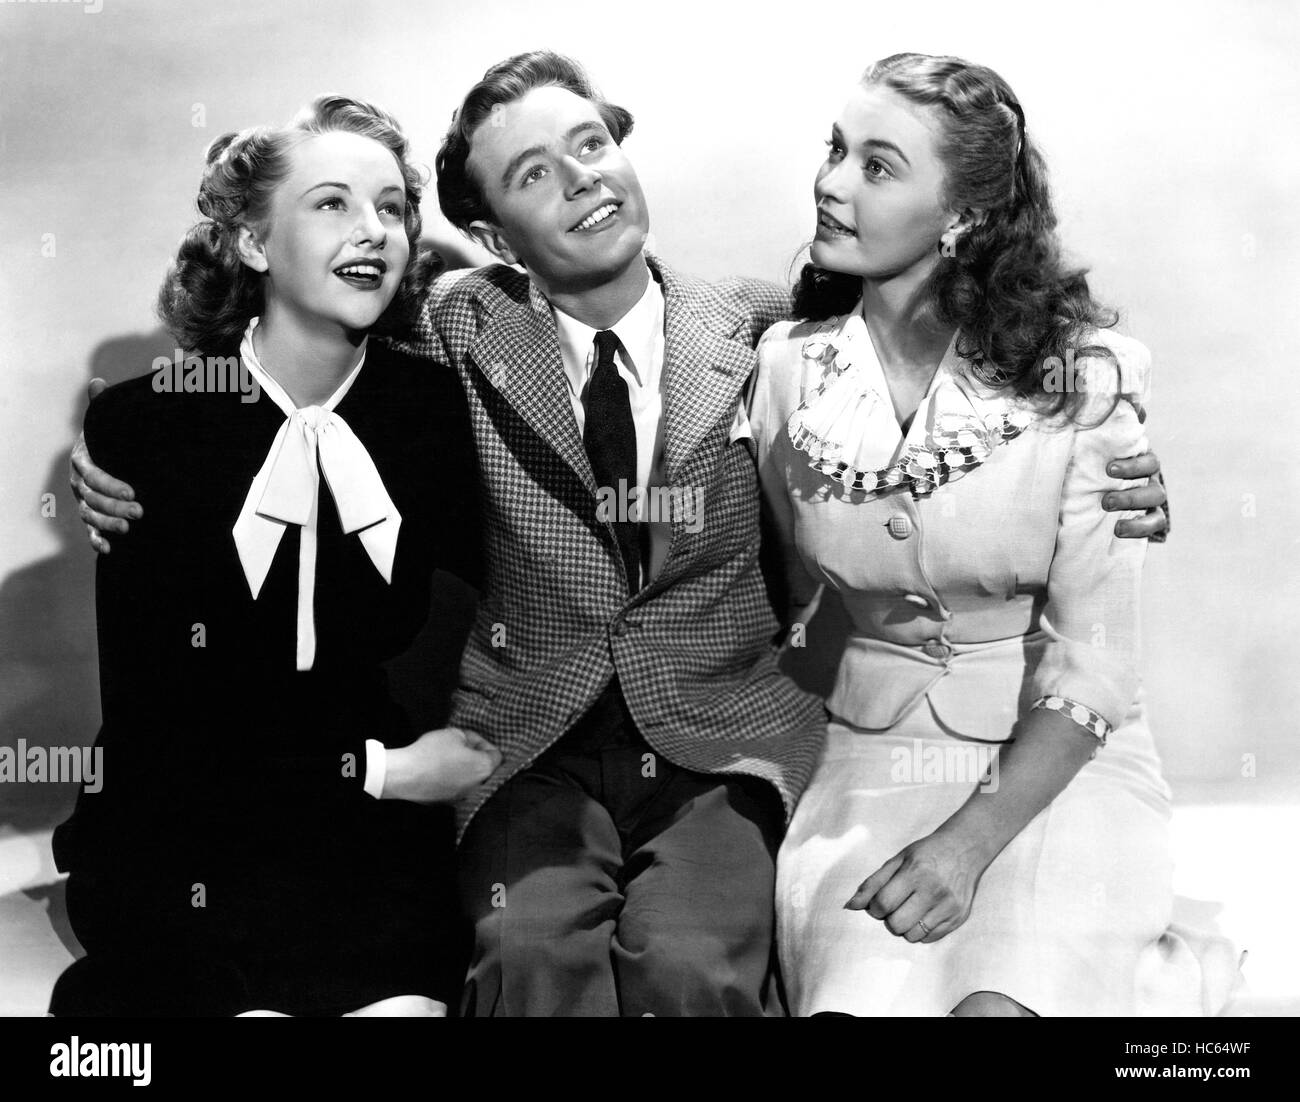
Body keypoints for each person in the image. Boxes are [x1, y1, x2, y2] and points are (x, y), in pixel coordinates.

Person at [69, 52, 1169, 1017]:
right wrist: (126, 450)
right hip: (530, 737)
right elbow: (308, 348)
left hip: (717, 729)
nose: (581, 177)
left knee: (692, 959)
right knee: (524, 948)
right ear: (493, 235)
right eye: (533, 174)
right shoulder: (459, 330)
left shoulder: (762, 327)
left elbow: (932, 386)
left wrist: (1106, 457)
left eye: (589, 143)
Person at [751, 52, 1220, 1016]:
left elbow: (1094, 667)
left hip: (1055, 767)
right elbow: (774, 583)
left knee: (996, 1010)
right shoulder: (787, 369)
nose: (832, 183)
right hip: (867, 760)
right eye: (835, 150)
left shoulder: (1085, 379)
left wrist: (966, 844)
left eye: (877, 166)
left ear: (962, 216)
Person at [51, 95, 499, 1018]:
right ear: (253, 244)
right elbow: (159, 722)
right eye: (331, 203)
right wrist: (381, 769)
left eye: (391, 207)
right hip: (184, 828)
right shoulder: (147, 427)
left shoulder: (431, 416)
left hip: (362, 848)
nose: (373, 230)